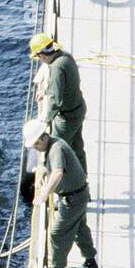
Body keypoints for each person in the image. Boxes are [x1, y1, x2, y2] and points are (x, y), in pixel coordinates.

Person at [23, 118, 99, 268]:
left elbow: (58, 172)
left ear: (44, 137)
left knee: (56, 234)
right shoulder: (54, 145)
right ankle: (90, 263)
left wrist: (43, 195)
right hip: (77, 196)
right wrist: (43, 170)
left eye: (36, 144)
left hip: (73, 199)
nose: (36, 148)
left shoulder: (56, 149)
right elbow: (52, 168)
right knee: (80, 229)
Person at [30, 33, 88, 173]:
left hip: (67, 117)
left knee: (54, 148)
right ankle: (82, 176)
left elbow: (55, 100)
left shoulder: (56, 68)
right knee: (76, 146)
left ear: (41, 55)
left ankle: (49, 176)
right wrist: (45, 91)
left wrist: (44, 121)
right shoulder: (65, 56)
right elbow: (65, 84)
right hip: (78, 109)